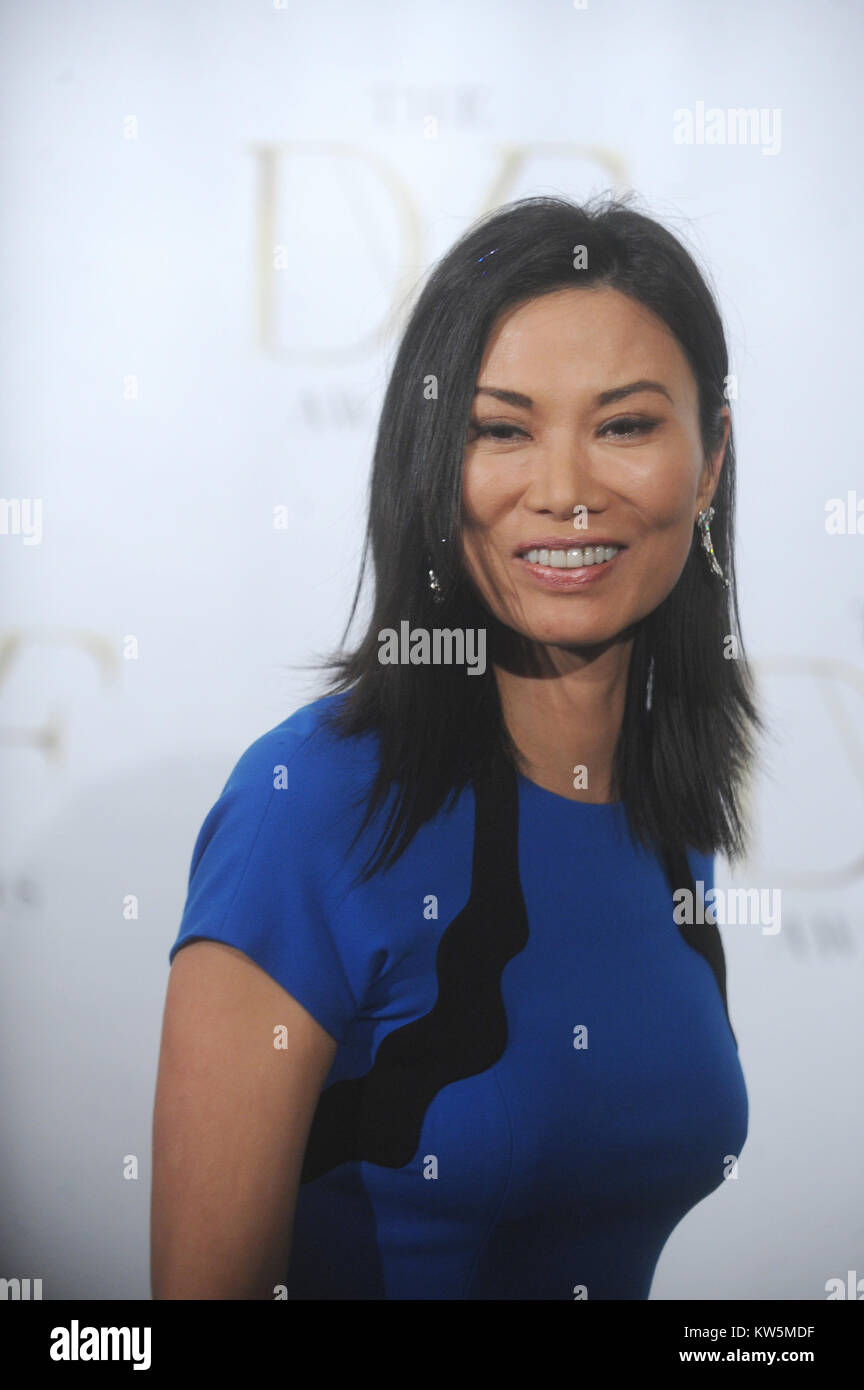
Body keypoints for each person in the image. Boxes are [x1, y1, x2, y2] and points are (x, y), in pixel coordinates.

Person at [151, 193, 762, 1300]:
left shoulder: (667, 812)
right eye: (502, 430)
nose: (567, 493)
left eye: (625, 426)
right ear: (433, 459)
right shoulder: (313, 805)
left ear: (710, 458)